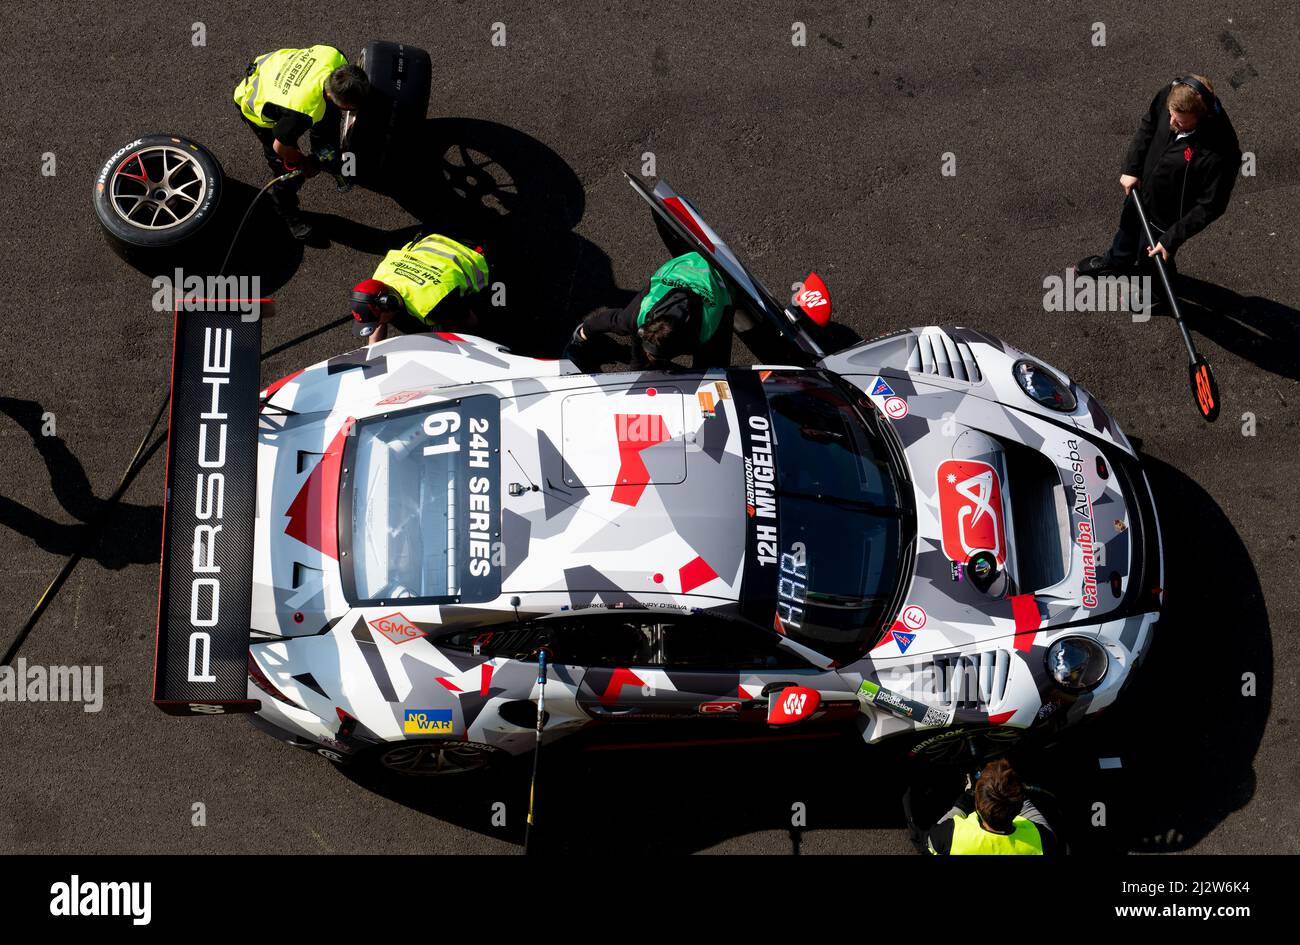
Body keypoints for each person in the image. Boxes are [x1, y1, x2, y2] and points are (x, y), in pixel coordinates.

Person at [1078, 74, 1240, 278]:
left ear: (1202, 116)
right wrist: (1132, 168)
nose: (1172, 122)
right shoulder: (1172, 95)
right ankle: (1117, 262)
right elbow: (1149, 124)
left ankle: (1156, 296)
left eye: (1180, 122)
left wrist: (1171, 238)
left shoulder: (1222, 153)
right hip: (1140, 190)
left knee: (1152, 260)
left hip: (1166, 218)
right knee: (1127, 230)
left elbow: (1212, 205)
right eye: (1170, 114)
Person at [233, 45, 370, 240]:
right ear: (341, 102)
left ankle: (330, 159)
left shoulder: (335, 57)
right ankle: (286, 211)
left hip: (280, 75)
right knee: (289, 172)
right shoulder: (301, 112)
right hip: (256, 100)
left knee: (328, 126)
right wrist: (303, 163)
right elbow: (279, 146)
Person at [563, 252, 734, 371]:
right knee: (622, 322)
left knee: (711, 370)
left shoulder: (705, 331)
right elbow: (637, 343)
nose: (647, 354)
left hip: (719, 277)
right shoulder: (642, 313)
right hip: (680, 270)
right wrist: (636, 374)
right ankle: (583, 331)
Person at [349, 234, 489, 345]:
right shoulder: (381, 275)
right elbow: (378, 320)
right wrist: (372, 355)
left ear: (390, 303)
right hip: (435, 239)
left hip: (473, 252)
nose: (377, 324)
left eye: (377, 321)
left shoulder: (432, 303)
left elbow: (470, 321)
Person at [926, 758, 1059, 855]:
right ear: (1017, 808)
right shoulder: (1042, 838)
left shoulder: (948, 835)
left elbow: (930, 842)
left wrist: (966, 798)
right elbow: (1029, 810)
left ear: (977, 805)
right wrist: (1015, 789)